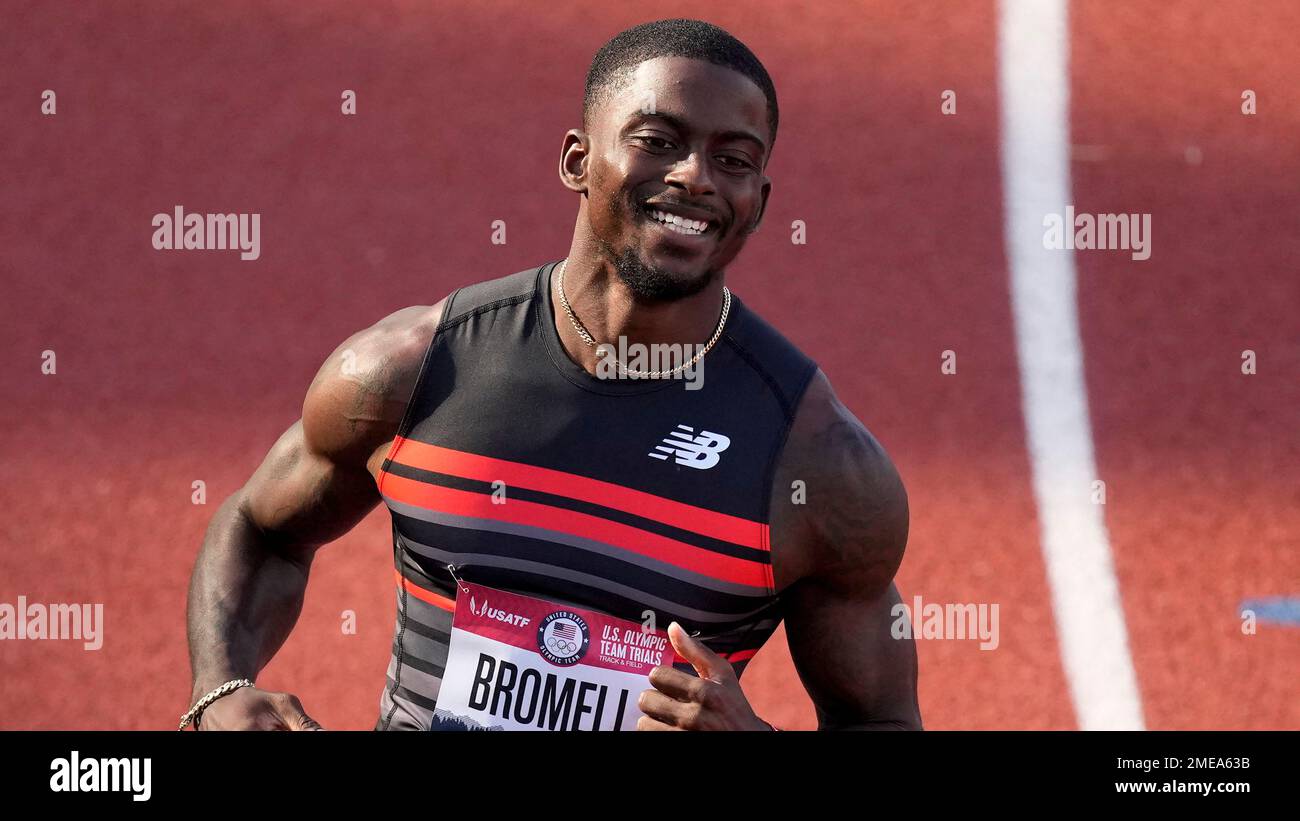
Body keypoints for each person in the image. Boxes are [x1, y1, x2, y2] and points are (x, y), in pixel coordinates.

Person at [185, 18, 920, 731]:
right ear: (576, 160)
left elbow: (881, 717)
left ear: (758, 203)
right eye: (658, 141)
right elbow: (262, 529)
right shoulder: (413, 371)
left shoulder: (817, 466)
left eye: (733, 160)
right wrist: (222, 687)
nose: (695, 176)